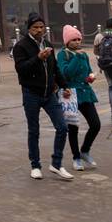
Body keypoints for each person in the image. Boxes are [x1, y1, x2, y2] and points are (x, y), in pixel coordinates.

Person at [13, 12, 72, 180]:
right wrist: (38, 58)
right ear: (29, 28)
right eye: (35, 27)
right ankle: (35, 165)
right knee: (34, 130)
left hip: (49, 93)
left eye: (41, 27)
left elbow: (55, 69)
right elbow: (21, 69)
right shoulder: (21, 46)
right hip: (31, 93)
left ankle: (56, 163)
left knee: (62, 127)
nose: (39, 30)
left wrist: (64, 86)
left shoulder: (47, 44)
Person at [56, 26, 101, 170]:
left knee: (95, 124)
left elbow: (87, 71)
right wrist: (76, 57)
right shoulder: (63, 54)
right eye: (73, 40)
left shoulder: (83, 54)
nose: (76, 42)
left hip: (85, 92)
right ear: (67, 41)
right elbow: (66, 74)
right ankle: (76, 158)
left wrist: (90, 77)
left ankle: (85, 151)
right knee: (73, 127)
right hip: (71, 94)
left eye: (78, 39)